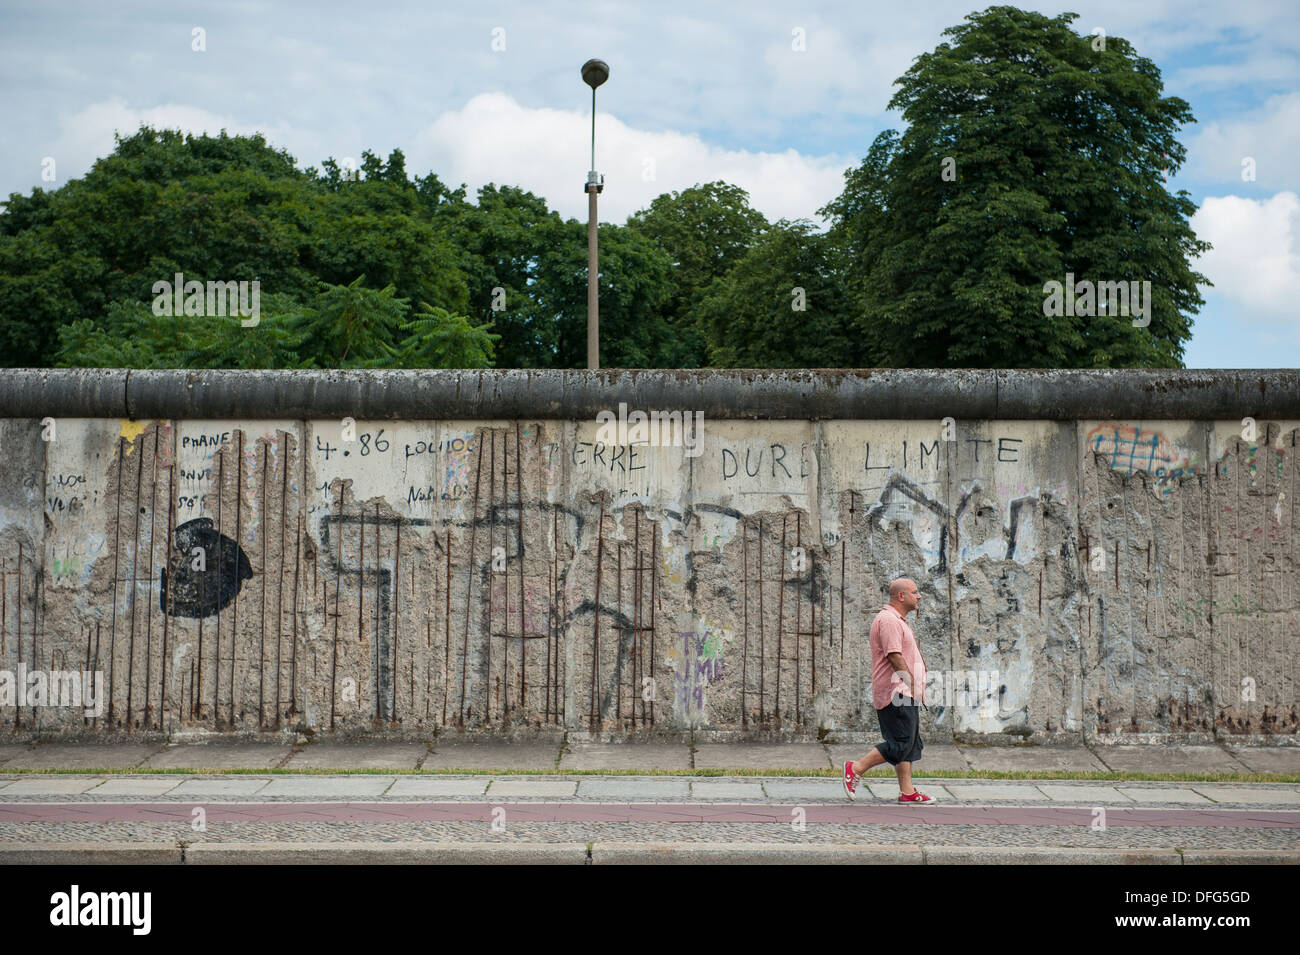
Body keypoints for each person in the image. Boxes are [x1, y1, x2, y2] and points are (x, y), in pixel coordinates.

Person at [843, 577, 935, 803]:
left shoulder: (896, 620)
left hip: (904, 691)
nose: (919, 596)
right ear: (901, 596)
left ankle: (907, 791)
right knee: (901, 742)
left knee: (910, 742)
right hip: (897, 692)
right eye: (915, 592)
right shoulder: (889, 620)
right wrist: (910, 683)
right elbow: (894, 655)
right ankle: (855, 768)